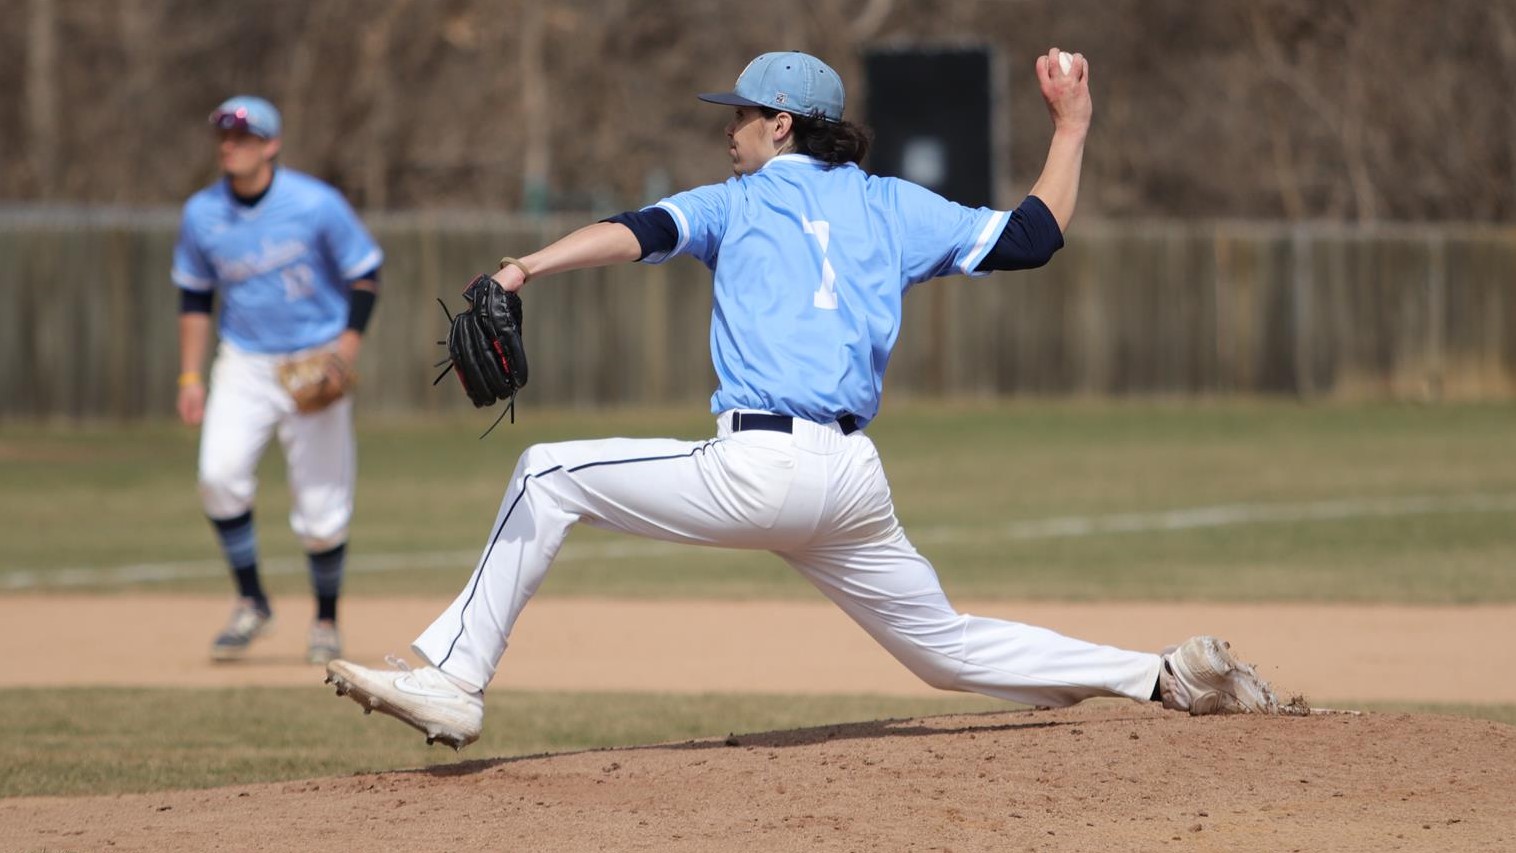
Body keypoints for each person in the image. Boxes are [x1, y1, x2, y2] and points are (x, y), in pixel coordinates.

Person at [326, 50, 1280, 748]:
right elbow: (1034, 237)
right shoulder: (892, 203)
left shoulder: (737, 200)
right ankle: (1162, 675)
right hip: (851, 481)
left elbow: (636, 230)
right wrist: (1070, 126)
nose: (729, 129)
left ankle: (456, 679)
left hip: (759, 466)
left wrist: (525, 267)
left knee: (546, 472)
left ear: (781, 124)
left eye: (741, 114)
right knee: (945, 651)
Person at [174, 95, 383, 665]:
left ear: (271, 145)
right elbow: (194, 297)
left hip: (314, 359)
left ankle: (325, 620)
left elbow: (365, 274)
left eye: (243, 136)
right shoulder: (202, 213)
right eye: (224, 135)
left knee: (321, 507)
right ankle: (253, 602)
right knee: (218, 477)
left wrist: (346, 348)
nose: (230, 145)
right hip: (244, 363)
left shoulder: (316, 204)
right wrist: (190, 375)